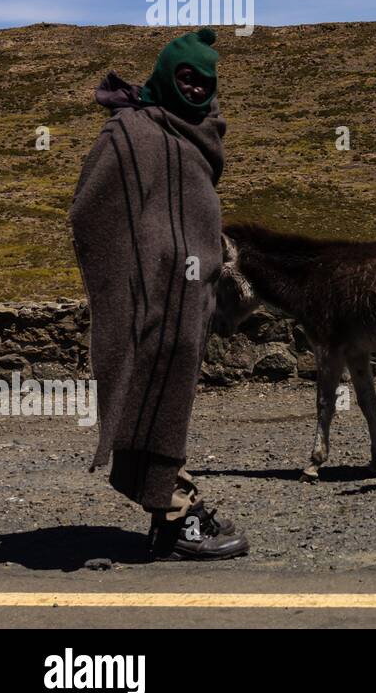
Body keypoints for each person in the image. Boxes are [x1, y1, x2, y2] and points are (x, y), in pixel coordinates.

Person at [69, 27, 248, 560]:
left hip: (188, 302)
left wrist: (209, 249)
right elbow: (91, 209)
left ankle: (170, 513)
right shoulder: (132, 133)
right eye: (185, 78)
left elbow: (187, 212)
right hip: (151, 301)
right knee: (154, 395)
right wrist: (140, 265)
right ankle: (176, 517)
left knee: (167, 398)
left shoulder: (196, 135)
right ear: (167, 75)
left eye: (203, 81)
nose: (194, 89)